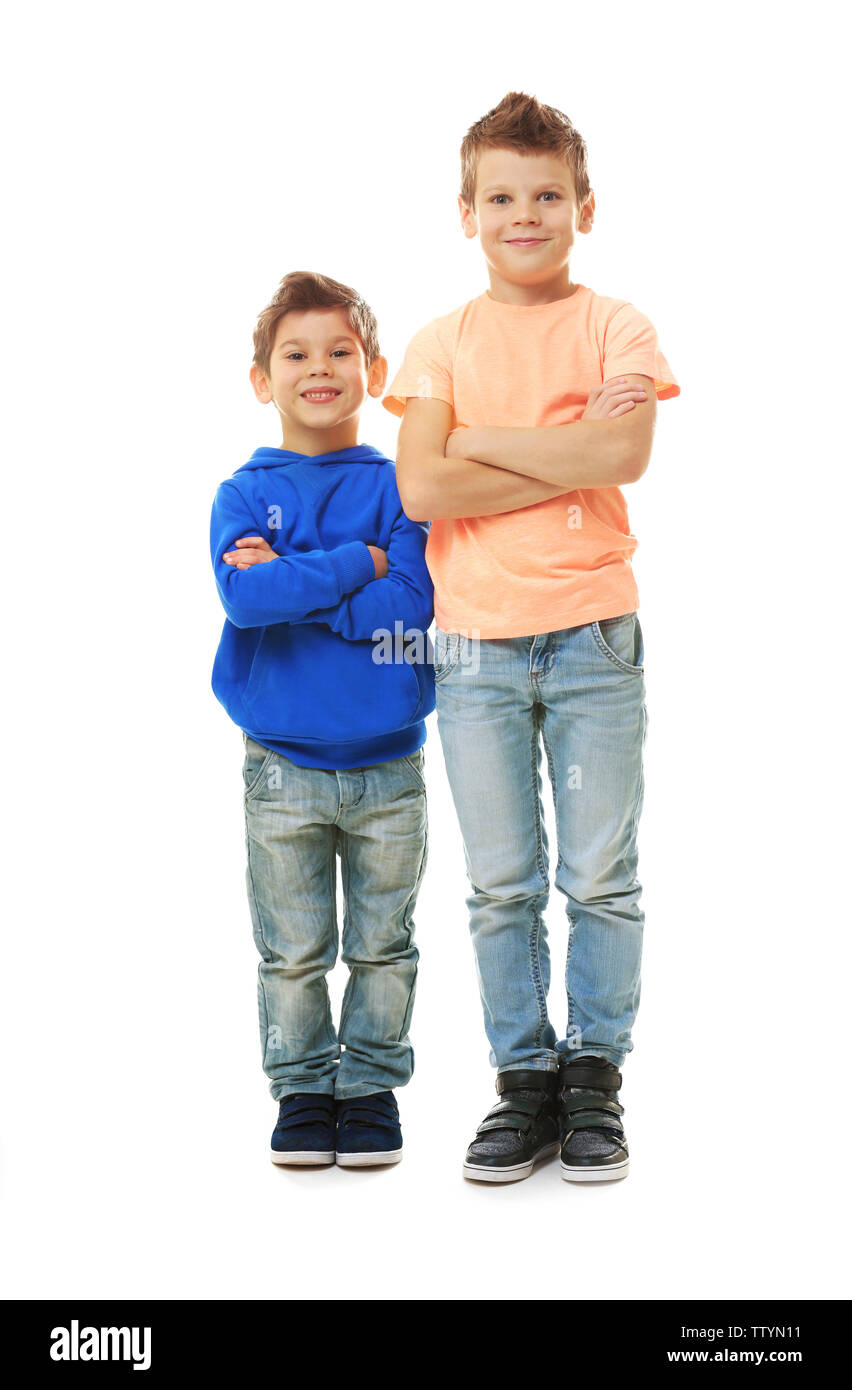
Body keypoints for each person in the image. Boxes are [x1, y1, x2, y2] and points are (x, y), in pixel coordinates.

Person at [383, 92, 680, 1183]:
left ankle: (595, 1075)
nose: (525, 212)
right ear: (467, 212)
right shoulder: (439, 341)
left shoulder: (618, 326)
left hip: (595, 638)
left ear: (582, 207)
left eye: (546, 194)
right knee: (501, 881)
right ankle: (524, 1082)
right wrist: (564, 444)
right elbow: (422, 482)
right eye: (501, 195)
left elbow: (624, 457)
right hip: (475, 652)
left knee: (601, 875)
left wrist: (486, 447)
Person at [210, 271, 434, 1168]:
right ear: (262, 378)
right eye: (296, 354)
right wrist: (357, 564)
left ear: (373, 370)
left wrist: (298, 581)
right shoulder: (238, 492)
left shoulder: (400, 485)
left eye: (341, 351)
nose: (320, 368)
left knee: (384, 944)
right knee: (293, 949)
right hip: (282, 767)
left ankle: (371, 1084)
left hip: (389, 769)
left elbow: (412, 608)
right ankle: (303, 1088)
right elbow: (242, 595)